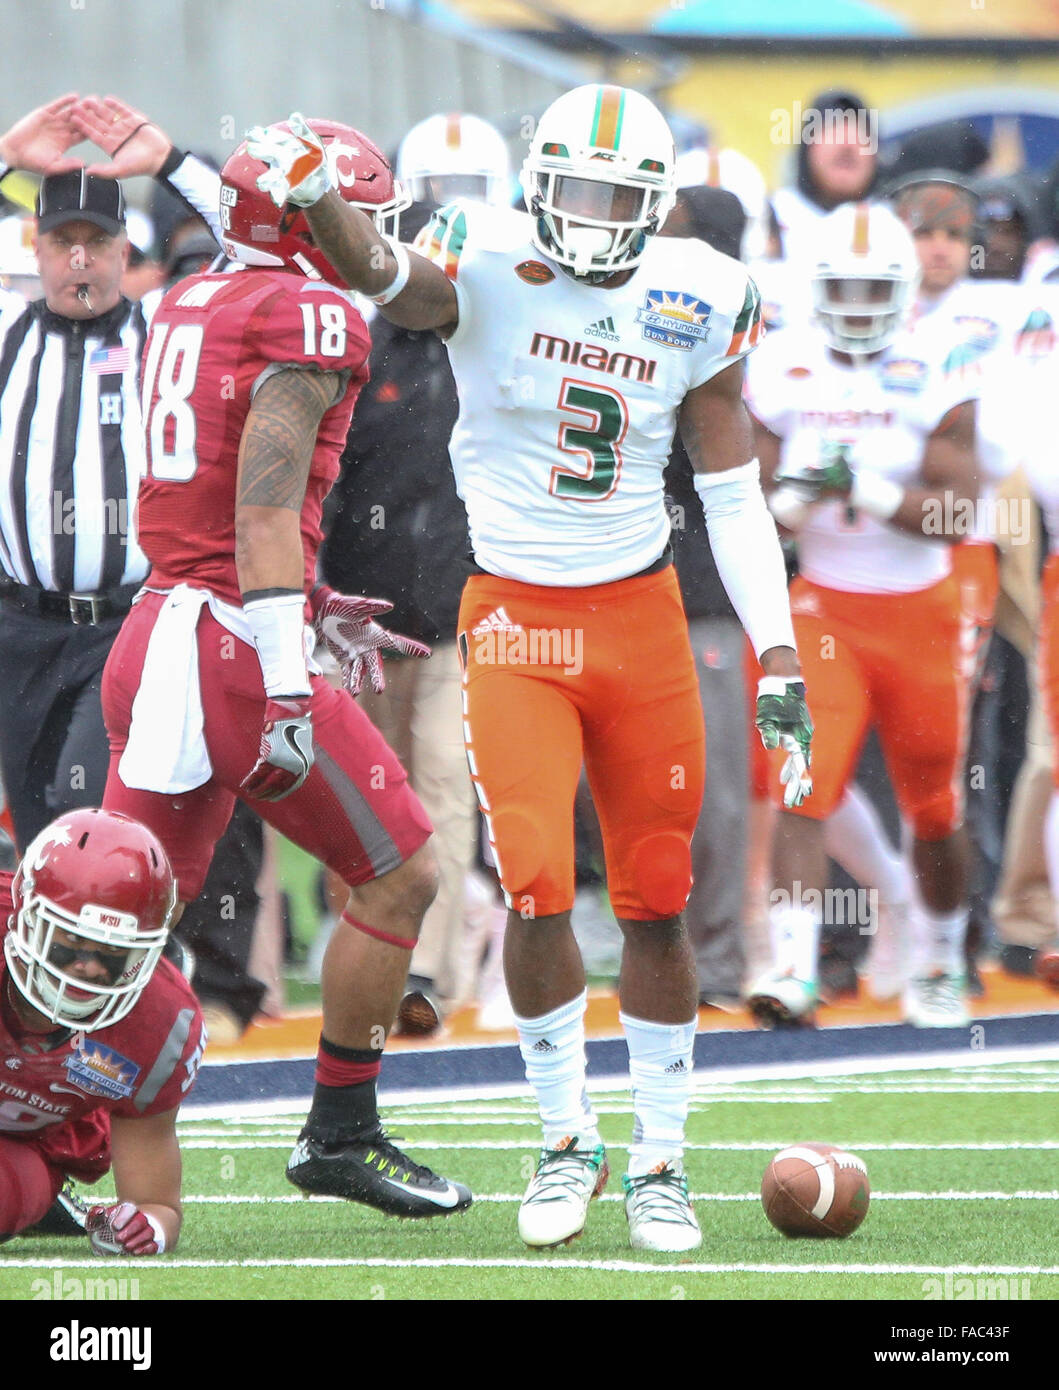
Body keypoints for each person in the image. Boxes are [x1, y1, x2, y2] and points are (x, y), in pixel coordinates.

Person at [247, 85, 812, 1253]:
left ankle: (659, 1156)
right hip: (511, 616)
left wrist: (779, 650)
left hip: (642, 614)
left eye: (621, 199)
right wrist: (317, 201)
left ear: (657, 206)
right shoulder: (486, 252)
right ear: (534, 187)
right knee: (538, 881)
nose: (597, 220)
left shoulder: (702, 291)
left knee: (656, 895)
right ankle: (566, 1137)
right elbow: (384, 276)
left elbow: (731, 492)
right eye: (577, 193)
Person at [87, 107, 471, 1220]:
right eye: (354, 213)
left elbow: (257, 221)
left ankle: (49, 1136)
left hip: (157, 627)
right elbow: (262, 515)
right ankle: (342, 1128)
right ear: (312, 225)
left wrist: (173, 161)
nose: (372, 238)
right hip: (234, 651)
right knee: (402, 871)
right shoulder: (309, 312)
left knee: (119, 914)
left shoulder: (196, 291)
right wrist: (287, 664)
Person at [747, 201, 978, 1028]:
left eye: (869, 286)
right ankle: (790, 965)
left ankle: (943, 956)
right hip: (823, 606)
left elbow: (958, 513)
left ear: (905, 287)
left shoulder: (940, 360)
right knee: (797, 777)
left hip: (920, 607)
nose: (852, 302)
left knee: (935, 803)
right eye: (838, 285)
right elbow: (756, 513)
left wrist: (866, 489)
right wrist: (798, 494)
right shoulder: (778, 363)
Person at [0, 807, 203, 1255]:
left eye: (112, 953)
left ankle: (42, 1199)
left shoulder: (158, 1022)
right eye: (70, 941)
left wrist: (145, 1226)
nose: (87, 967)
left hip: (26, 1145)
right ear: (28, 917)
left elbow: (156, 1203)